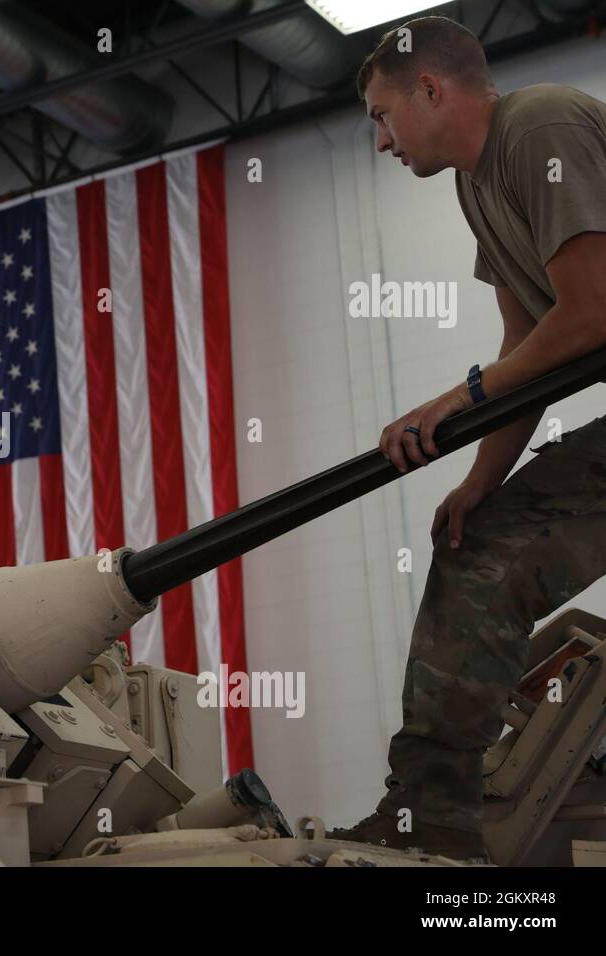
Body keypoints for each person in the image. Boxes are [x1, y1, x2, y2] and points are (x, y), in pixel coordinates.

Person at [333, 17, 606, 861]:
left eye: (382, 116)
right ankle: (433, 818)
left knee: (488, 553)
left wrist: (458, 399)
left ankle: (433, 815)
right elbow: (528, 350)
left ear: (430, 89)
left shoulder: (542, 125)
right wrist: (482, 475)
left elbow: (592, 312)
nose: (380, 140)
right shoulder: (476, 183)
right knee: (477, 540)